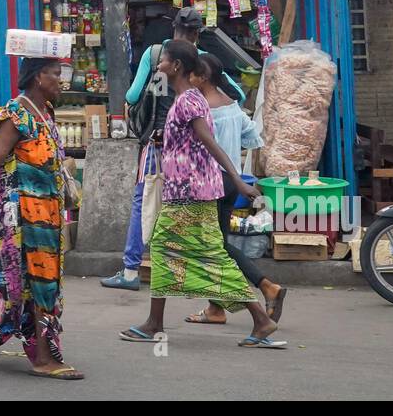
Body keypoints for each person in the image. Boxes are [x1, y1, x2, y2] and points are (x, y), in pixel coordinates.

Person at [118, 41, 283, 348]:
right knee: (177, 253)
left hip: (190, 192)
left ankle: (260, 319)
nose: (159, 65)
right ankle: (158, 322)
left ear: (177, 66)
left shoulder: (187, 102)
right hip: (189, 189)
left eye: (164, 60)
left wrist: (238, 179)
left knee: (200, 255)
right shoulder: (189, 98)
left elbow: (210, 143)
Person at [0, 56, 83, 379]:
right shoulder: (16, 115)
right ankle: (43, 358)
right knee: (27, 287)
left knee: (26, 289)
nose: (61, 80)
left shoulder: (45, 113)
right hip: (20, 221)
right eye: (56, 74)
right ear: (39, 77)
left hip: (48, 219)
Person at [104, 6, 245, 291]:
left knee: (142, 202)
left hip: (158, 146)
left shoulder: (155, 54)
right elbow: (237, 94)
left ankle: (132, 271)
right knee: (185, 217)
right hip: (190, 158)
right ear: (198, 32)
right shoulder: (203, 61)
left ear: (174, 29)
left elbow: (131, 95)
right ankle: (181, 279)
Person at [183, 54, 288, 326]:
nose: (189, 79)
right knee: (218, 244)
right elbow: (252, 137)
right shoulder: (231, 105)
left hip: (210, 183)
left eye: (193, 74)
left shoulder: (201, 109)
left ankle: (266, 286)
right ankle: (215, 309)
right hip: (232, 182)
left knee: (214, 247)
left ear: (202, 77)